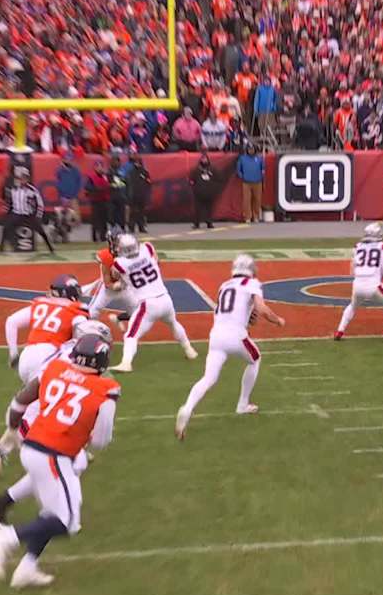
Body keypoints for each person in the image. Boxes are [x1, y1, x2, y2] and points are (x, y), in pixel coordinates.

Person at [0, 335, 119, 589]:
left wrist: (12, 429)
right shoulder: (106, 390)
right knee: (67, 522)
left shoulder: (55, 368)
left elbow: (21, 400)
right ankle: (5, 536)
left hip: (35, 446)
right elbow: (100, 441)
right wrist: (83, 432)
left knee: (52, 513)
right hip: (53, 454)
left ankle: (27, 568)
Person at [175, 255, 286, 439]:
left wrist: (248, 315)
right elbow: (261, 308)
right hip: (236, 336)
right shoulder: (252, 284)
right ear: (251, 269)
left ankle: (187, 408)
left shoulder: (224, 285)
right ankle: (242, 404)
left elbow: (232, 310)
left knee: (208, 378)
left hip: (216, 336)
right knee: (255, 359)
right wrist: (278, 320)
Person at [108, 234, 198, 372]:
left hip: (148, 304)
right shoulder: (147, 248)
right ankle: (189, 350)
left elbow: (116, 276)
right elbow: (155, 260)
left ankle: (126, 363)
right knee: (173, 323)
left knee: (131, 335)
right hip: (165, 298)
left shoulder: (119, 263)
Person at [3, 275, 87, 383]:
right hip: (47, 357)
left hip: (26, 356)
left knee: (31, 392)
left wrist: (13, 354)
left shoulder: (41, 305)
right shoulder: (75, 311)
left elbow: (11, 322)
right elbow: (81, 337)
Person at [335, 223, 383, 339]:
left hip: (357, 285)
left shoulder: (357, 246)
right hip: (374, 287)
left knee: (353, 306)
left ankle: (340, 331)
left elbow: (352, 270)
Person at [0, 168, 53, 253]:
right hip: (16, 213)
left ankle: (51, 248)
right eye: (21, 178)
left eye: (25, 178)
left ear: (27, 179)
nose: (23, 180)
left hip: (28, 214)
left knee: (41, 230)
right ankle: (1, 249)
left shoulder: (32, 190)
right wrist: (7, 209)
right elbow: (7, 199)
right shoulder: (13, 189)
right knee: (6, 228)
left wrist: (38, 215)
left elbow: (40, 203)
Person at [236, 143, 264, 223]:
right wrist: (242, 176)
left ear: (255, 150)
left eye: (252, 149)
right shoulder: (242, 158)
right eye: (249, 149)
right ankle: (247, 217)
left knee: (257, 200)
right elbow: (238, 169)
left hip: (257, 182)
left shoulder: (259, 158)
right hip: (246, 183)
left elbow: (263, 169)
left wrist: (261, 176)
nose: (250, 151)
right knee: (246, 200)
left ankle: (256, 216)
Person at [190, 153, 220, 229]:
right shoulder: (197, 170)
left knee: (209, 209)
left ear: (208, 160)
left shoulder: (212, 169)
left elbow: (218, 179)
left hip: (209, 192)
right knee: (198, 209)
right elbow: (191, 180)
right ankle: (196, 223)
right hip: (199, 193)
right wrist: (195, 188)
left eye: (205, 159)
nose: (204, 160)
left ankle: (209, 222)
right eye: (203, 159)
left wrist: (214, 188)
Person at [55, 157, 83, 237]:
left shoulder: (76, 170)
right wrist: (61, 191)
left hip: (73, 196)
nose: (68, 161)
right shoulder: (60, 171)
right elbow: (58, 181)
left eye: (70, 160)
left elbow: (79, 182)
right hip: (64, 196)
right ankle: (64, 230)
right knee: (64, 214)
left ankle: (71, 226)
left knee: (76, 216)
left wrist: (75, 192)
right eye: (66, 159)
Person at [85, 161, 111, 242]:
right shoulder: (91, 177)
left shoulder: (106, 176)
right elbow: (87, 187)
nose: (100, 168)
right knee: (95, 219)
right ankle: (95, 237)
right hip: (95, 201)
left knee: (104, 219)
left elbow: (110, 184)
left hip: (104, 200)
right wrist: (96, 189)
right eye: (98, 167)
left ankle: (103, 236)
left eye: (101, 167)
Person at [125, 154, 152, 235]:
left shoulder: (145, 172)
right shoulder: (131, 173)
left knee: (142, 212)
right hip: (133, 195)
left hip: (142, 195)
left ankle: (142, 227)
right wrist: (129, 195)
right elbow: (128, 184)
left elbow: (148, 183)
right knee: (133, 212)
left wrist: (146, 193)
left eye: (138, 162)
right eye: (136, 162)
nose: (137, 163)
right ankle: (131, 227)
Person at [107, 155, 128, 231]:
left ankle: (122, 227)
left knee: (121, 213)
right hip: (111, 196)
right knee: (112, 213)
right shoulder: (109, 172)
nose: (114, 163)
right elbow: (108, 183)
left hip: (121, 195)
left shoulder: (122, 171)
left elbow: (125, 182)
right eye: (113, 161)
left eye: (116, 161)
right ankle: (113, 227)